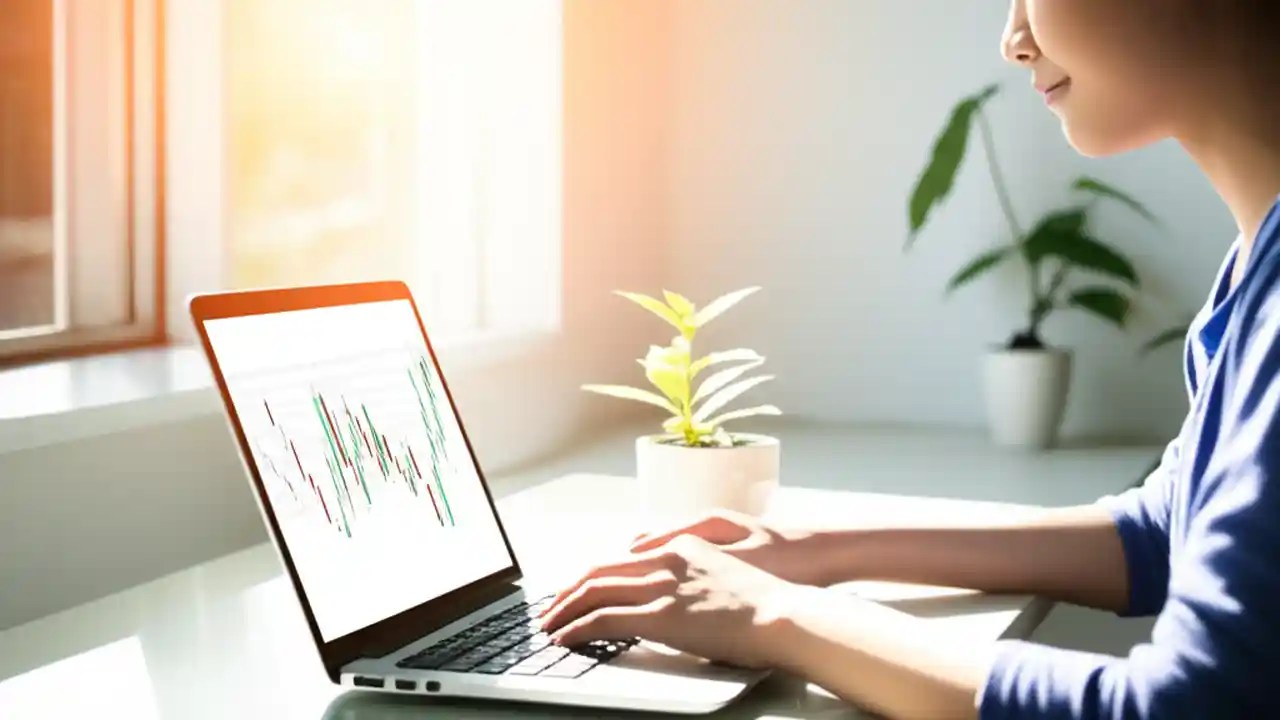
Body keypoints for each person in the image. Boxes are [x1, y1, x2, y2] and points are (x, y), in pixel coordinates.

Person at [538, 2, 1280, 718]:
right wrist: (816, 549)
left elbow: (1193, 706)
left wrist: (776, 614)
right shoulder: (1257, 261)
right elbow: (1165, 530)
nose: (1014, 40)